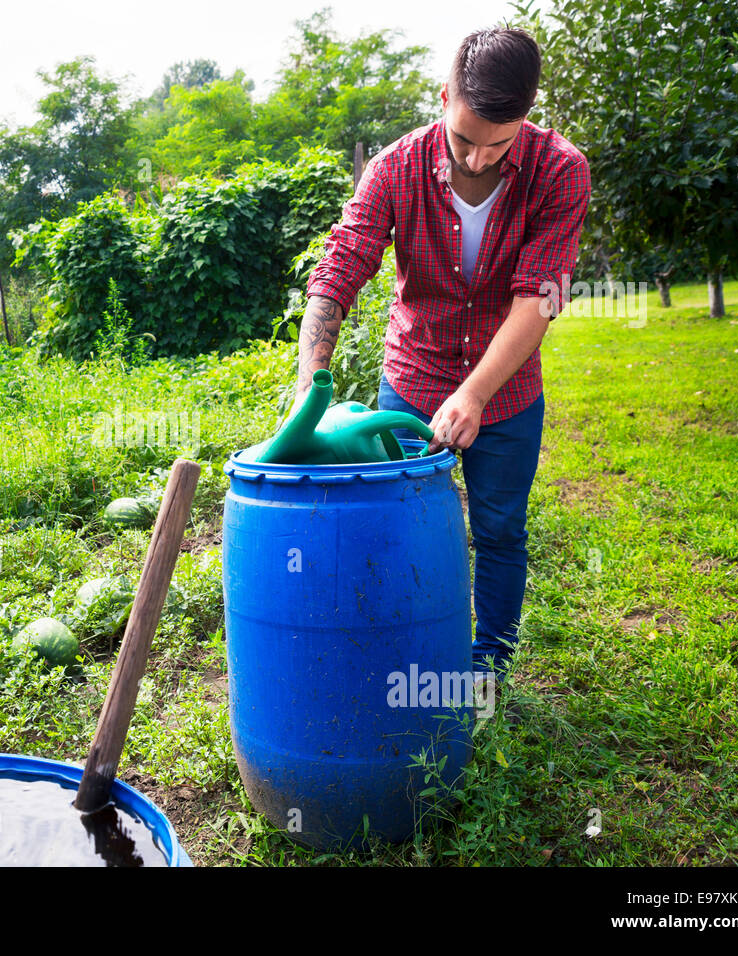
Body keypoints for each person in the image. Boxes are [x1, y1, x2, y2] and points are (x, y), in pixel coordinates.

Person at [299, 26, 591, 680]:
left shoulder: (560, 170)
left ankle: (489, 669)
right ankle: (408, 654)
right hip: (412, 381)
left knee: (498, 530)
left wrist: (476, 394)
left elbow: (538, 298)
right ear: (444, 97)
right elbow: (338, 272)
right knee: (399, 528)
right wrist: (307, 389)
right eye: (464, 140)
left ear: (527, 116)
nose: (480, 159)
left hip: (508, 392)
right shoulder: (397, 167)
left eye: (499, 143)